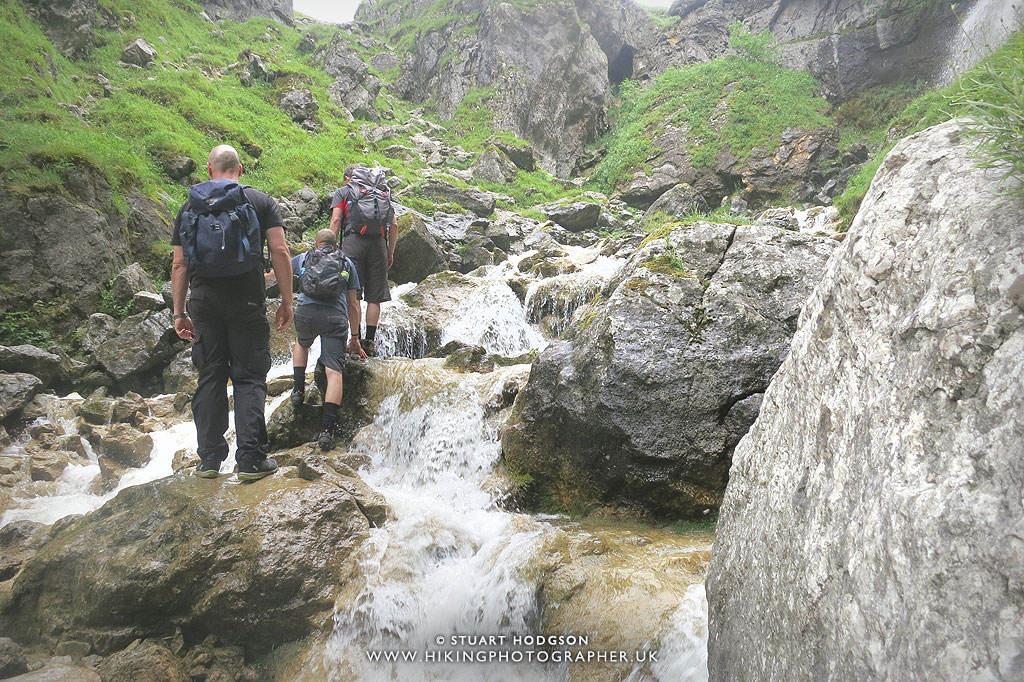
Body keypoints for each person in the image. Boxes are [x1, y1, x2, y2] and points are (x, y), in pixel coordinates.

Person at [171, 144, 293, 481]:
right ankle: (251, 460)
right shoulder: (261, 202)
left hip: (204, 301)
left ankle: (209, 460)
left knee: (210, 375)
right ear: (240, 170)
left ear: (209, 170)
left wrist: (178, 312)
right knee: (249, 377)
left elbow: (180, 264)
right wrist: (287, 300)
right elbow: (280, 251)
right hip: (247, 300)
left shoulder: (190, 206)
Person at [287, 229, 367, 450]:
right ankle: (327, 431)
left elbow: (279, 270)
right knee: (334, 372)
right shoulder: (347, 263)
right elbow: (353, 303)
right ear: (336, 244)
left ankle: (298, 390)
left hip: (306, 312)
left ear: (316, 242)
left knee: (302, 344)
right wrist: (355, 337)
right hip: (335, 317)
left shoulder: (304, 257)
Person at [329, 165, 397, 357]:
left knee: (354, 293)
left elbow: (336, 221)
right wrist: (390, 252)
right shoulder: (381, 193)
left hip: (353, 242)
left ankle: (354, 339)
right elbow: (394, 224)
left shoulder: (344, 192)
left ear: (347, 178)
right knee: (375, 297)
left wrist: (329, 249)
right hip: (378, 244)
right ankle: (370, 342)